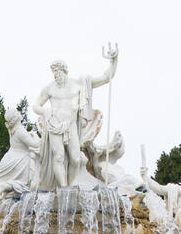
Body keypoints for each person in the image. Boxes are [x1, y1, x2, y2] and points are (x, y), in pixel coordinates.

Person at [32, 45, 118, 190]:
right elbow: (36, 106)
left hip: (70, 125)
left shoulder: (78, 84)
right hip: (54, 126)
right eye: (54, 73)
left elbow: (105, 78)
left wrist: (114, 60)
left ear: (65, 71)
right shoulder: (49, 88)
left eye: (58, 73)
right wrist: (45, 112)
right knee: (58, 156)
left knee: (76, 158)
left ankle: (70, 186)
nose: (56, 76)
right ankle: (64, 188)